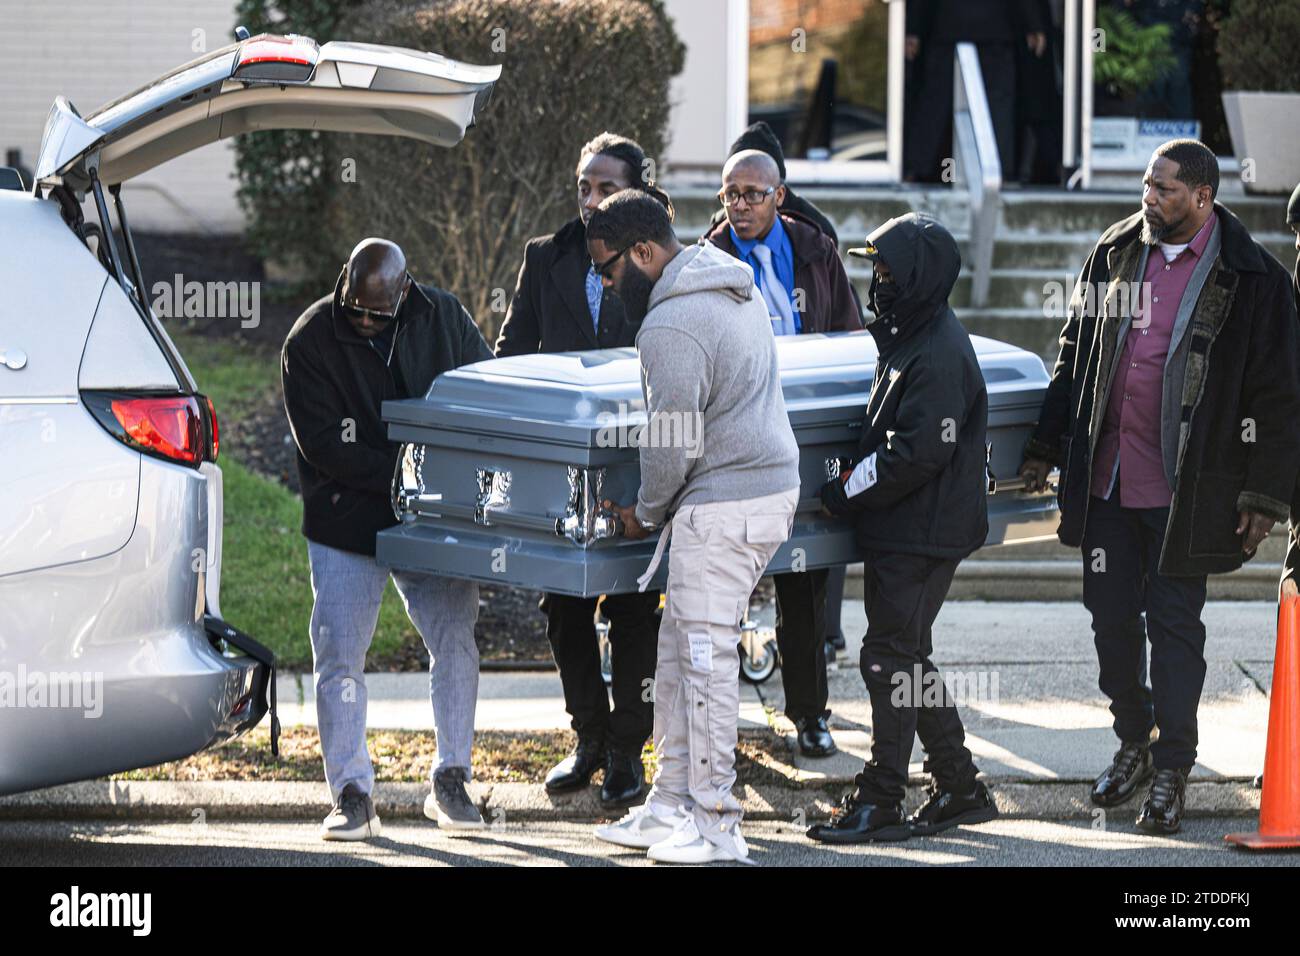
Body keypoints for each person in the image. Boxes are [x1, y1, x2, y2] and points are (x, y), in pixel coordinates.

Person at [1020, 140, 1300, 834]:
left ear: (1203, 196)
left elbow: (1280, 396)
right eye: (1147, 185)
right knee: (1110, 620)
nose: (1149, 198)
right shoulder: (1115, 252)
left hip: (1190, 492)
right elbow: (1073, 351)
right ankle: (1133, 742)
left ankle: (1174, 767)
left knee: (1175, 630)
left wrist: (1262, 498)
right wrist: (1044, 447)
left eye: (1164, 189)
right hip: (1108, 482)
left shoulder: (1255, 278)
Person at [587, 189, 801, 864]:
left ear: (644, 253)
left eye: (610, 268)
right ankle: (671, 802)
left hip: (723, 505)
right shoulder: (725, 281)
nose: (604, 282)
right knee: (680, 656)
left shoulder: (670, 325)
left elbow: (670, 443)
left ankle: (716, 824)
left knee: (704, 665)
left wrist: (643, 514)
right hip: (757, 489)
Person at [281, 238, 494, 841]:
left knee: (456, 639)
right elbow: (322, 442)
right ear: (343, 280)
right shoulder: (310, 338)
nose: (368, 321)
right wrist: (405, 473)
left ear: (407, 290)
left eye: (381, 313)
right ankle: (351, 792)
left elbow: (483, 387)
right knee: (341, 652)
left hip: (432, 514)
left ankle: (452, 776)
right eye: (358, 310)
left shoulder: (442, 316)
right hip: (348, 515)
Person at [807, 213, 996, 844]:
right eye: (873, 269)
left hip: (921, 531)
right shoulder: (914, 333)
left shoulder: (937, 351)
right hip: (913, 527)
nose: (876, 281)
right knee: (906, 655)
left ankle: (883, 797)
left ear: (917, 277)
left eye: (886, 271)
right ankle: (959, 786)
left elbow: (913, 452)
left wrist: (843, 492)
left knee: (888, 659)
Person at [495, 133, 668, 809]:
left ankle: (629, 752)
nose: (590, 199)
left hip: (634, 462)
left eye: (604, 187)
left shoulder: (652, 259)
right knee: (561, 609)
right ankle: (588, 739)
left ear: (635, 193)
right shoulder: (548, 256)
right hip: (559, 468)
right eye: (583, 186)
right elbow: (513, 351)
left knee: (631, 611)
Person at [704, 148, 860, 759]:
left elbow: (849, 334)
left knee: (803, 580)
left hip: (806, 429)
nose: (738, 205)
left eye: (751, 193)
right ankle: (712, 724)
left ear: (779, 195)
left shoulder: (815, 250)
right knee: (722, 583)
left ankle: (809, 712)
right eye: (729, 193)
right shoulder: (709, 258)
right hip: (736, 436)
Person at [904, 0, 1046, 182]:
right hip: (995, 28)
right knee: (998, 106)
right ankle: (1000, 171)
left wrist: (913, 29)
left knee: (935, 103)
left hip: (949, 26)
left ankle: (918, 167)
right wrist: (1033, 23)